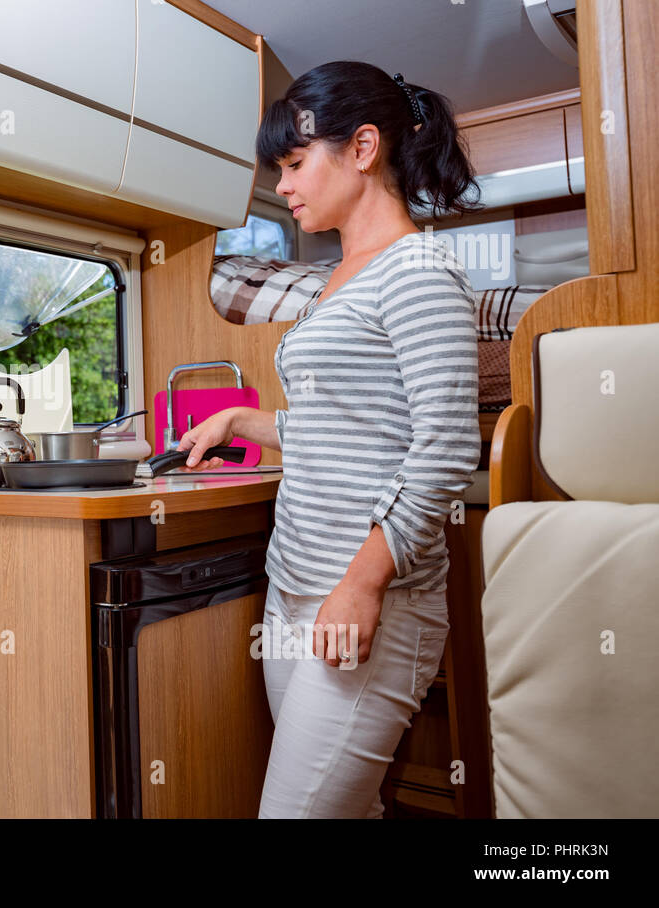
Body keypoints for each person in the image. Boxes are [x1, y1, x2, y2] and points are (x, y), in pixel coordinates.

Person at [178, 60, 483, 818]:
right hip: (294, 589)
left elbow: (443, 450)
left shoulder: (417, 270)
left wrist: (363, 583)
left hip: (364, 594)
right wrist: (240, 422)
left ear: (363, 147)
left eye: (293, 163)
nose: (283, 187)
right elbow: (344, 427)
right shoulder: (338, 277)